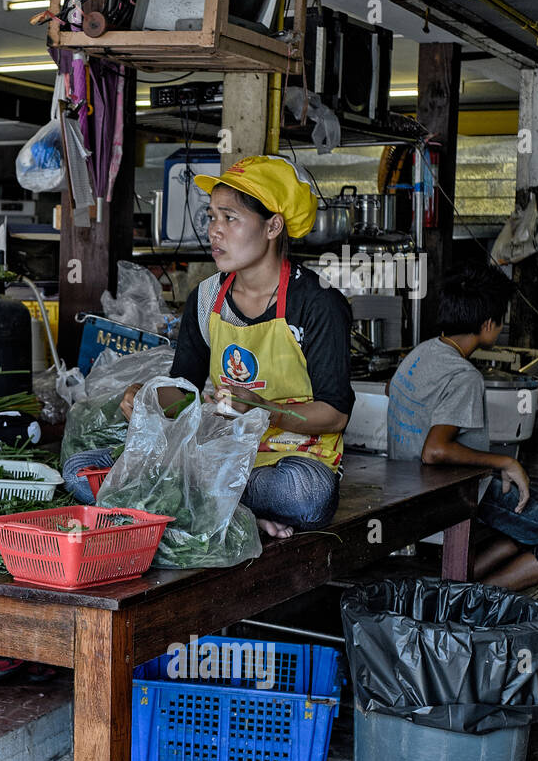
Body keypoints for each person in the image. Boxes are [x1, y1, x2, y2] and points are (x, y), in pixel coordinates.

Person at [63, 155, 354, 540]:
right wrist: (148, 397)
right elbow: (183, 392)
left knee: (306, 497)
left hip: (289, 459)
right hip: (218, 455)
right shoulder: (206, 298)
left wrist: (262, 410)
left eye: (230, 218)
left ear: (273, 226)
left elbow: (334, 415)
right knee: (78, 471)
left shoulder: (318, 302)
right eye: (211, 217)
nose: (214, 231)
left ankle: (206, 504)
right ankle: (233, 508)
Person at [387, 265, 538, 590]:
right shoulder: (465, 376)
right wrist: (506, 462)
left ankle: (459, 585)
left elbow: (393, 389)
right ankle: (473, 600)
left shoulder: (423, 351)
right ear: (488, 325)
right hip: (456, 491)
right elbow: (435, 450)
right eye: (500, 319)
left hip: (414, 482)